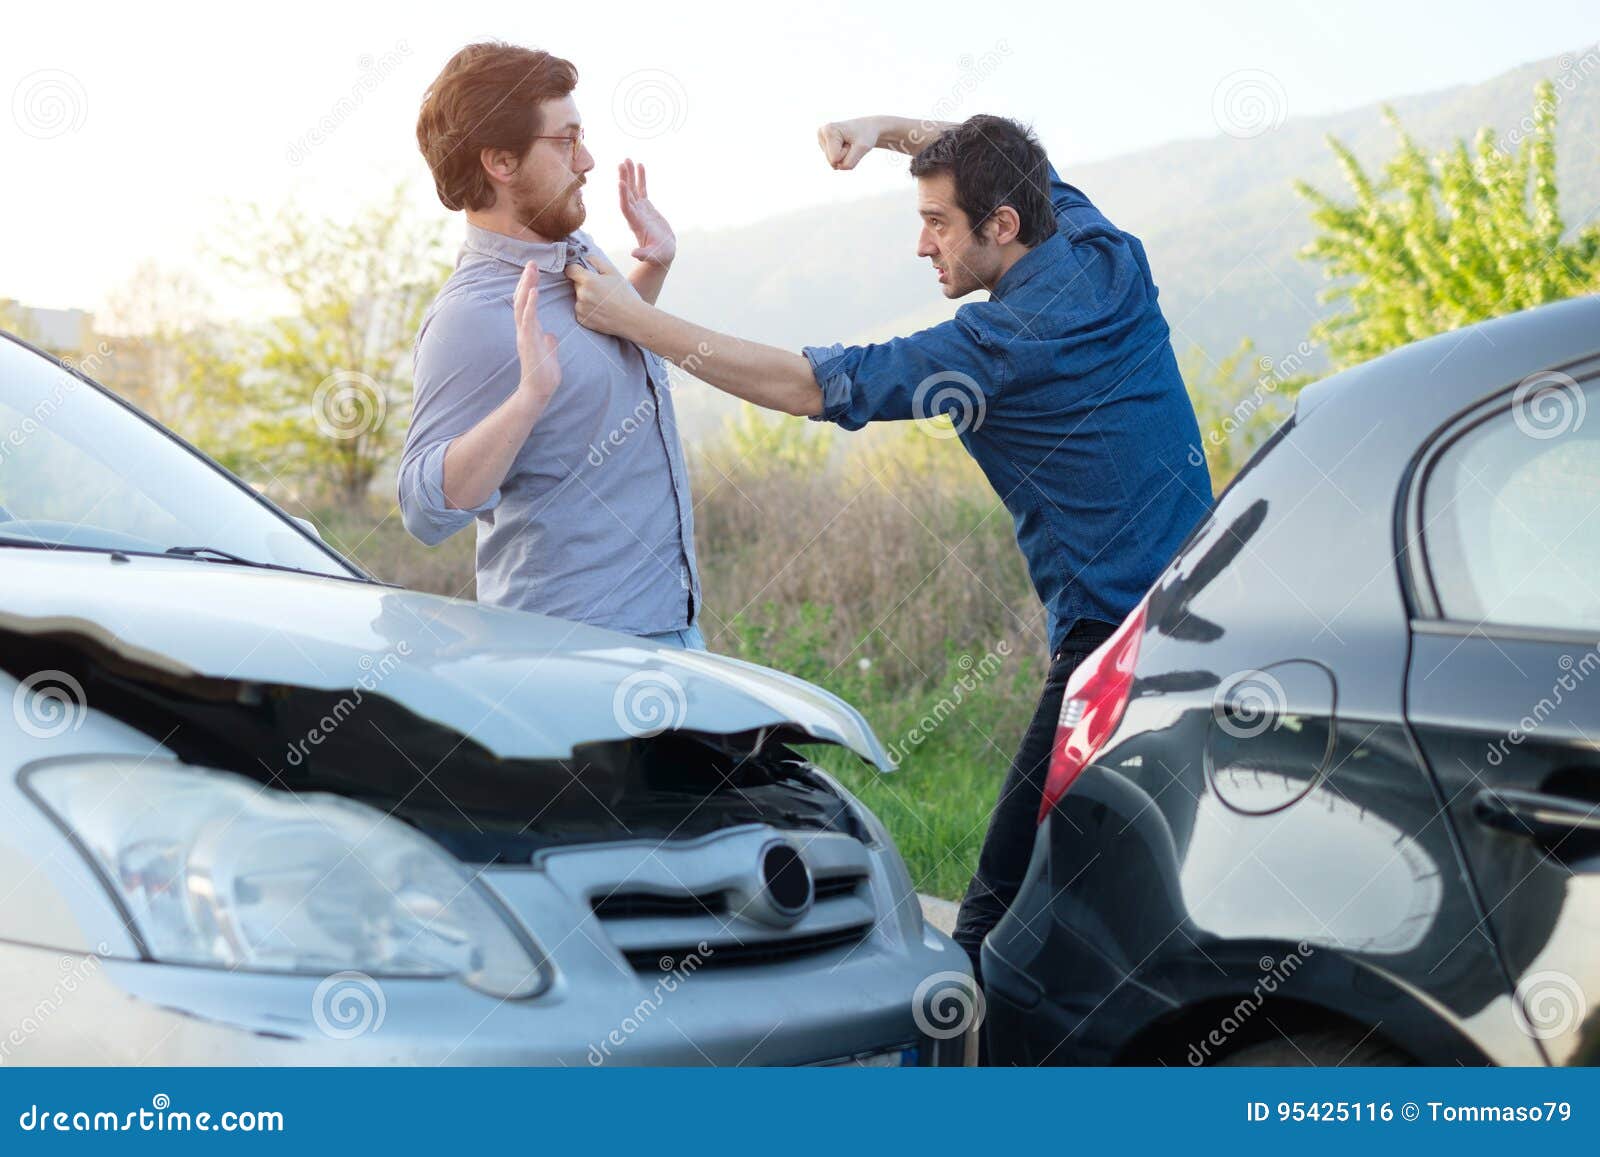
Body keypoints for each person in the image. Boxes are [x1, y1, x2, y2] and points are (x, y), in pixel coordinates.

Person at [565, 112, 1213, 972]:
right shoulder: (1103, 249)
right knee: (1127, 893)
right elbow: (1006, 156)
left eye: (938, 223)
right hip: (1203, 608)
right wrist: (882, 130)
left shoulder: (1000, 346)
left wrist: (635, 319)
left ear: (1002, 227)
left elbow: (809, 386)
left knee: (996, 916)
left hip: (1116, 649)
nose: (921, 245)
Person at [399, 42, 703, 649]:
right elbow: (423, 509)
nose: (586, 160)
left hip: (668, 625)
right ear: (501, 163)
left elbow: (598, 350)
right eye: (566, 140)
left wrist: (654, 268)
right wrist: (527, 399)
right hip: (569, 655)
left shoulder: (576, 249)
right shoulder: (470, 317)